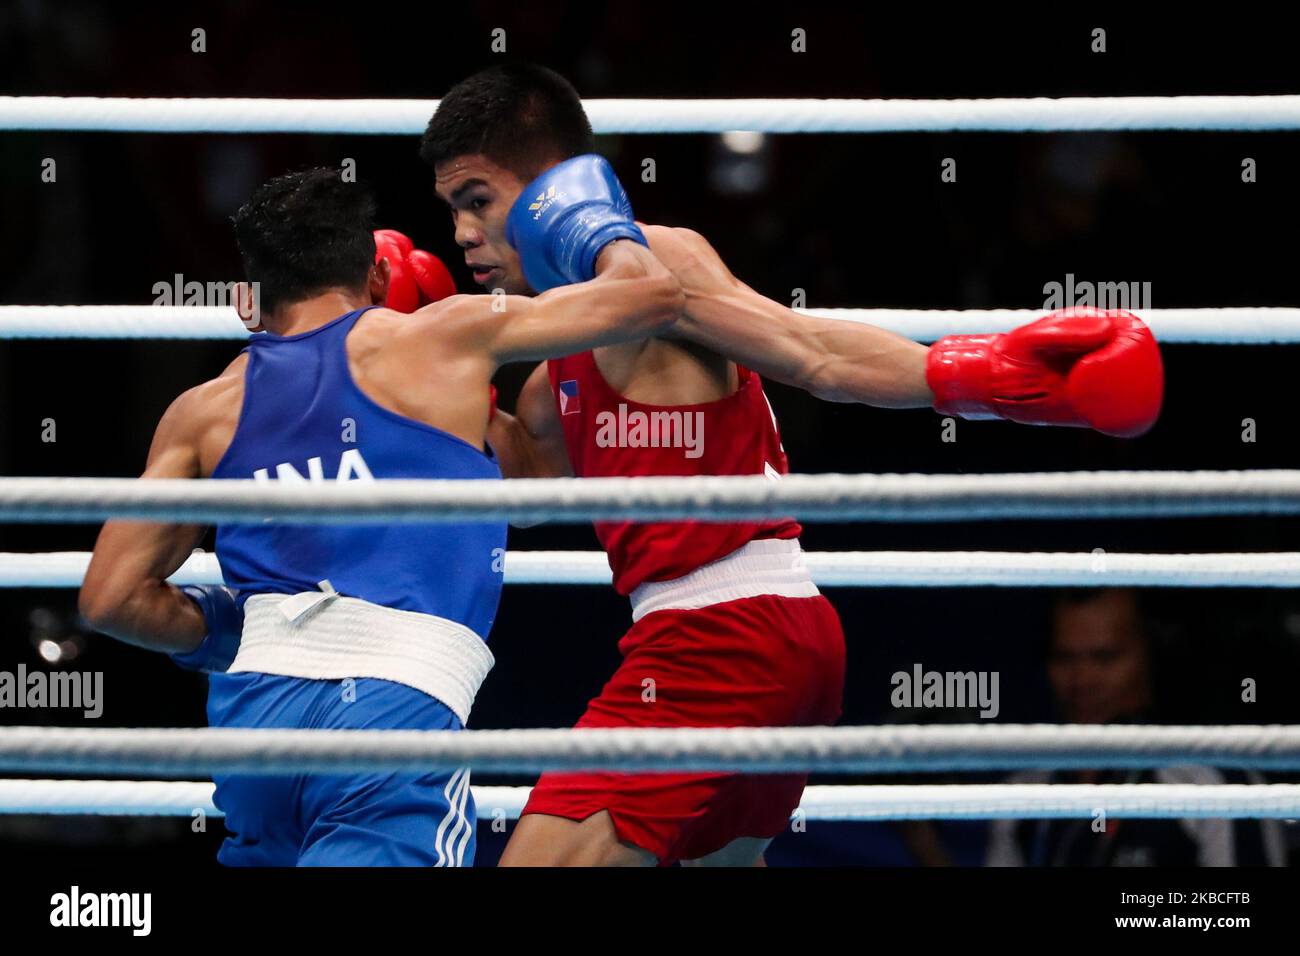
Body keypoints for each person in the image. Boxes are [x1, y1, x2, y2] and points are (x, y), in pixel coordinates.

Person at [419, 64, 1163, 868]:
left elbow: (811, 352)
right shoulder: (552, 369)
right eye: (451, 210)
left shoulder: (656, 265)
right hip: (758, 645)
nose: (460, 233)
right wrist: (412, 368)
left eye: (477, 201)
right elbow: (525, 489)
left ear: (551, 188)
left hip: (721, 636)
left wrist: (979, 374)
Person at [77, 166, 682, 866]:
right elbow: (650, 296)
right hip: (391, 719)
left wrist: (236, 632)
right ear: (374, 278)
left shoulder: (201, 412)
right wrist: (587, 221)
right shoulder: (441, 334)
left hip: (252, 726)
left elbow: (109, 599)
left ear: (250, 296)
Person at [986, 589, 1286, 866]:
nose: (1082, 681)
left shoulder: (1217, 789)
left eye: (1104, 658)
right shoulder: (1022, 796)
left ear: (1152, 655)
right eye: (1064, 658)